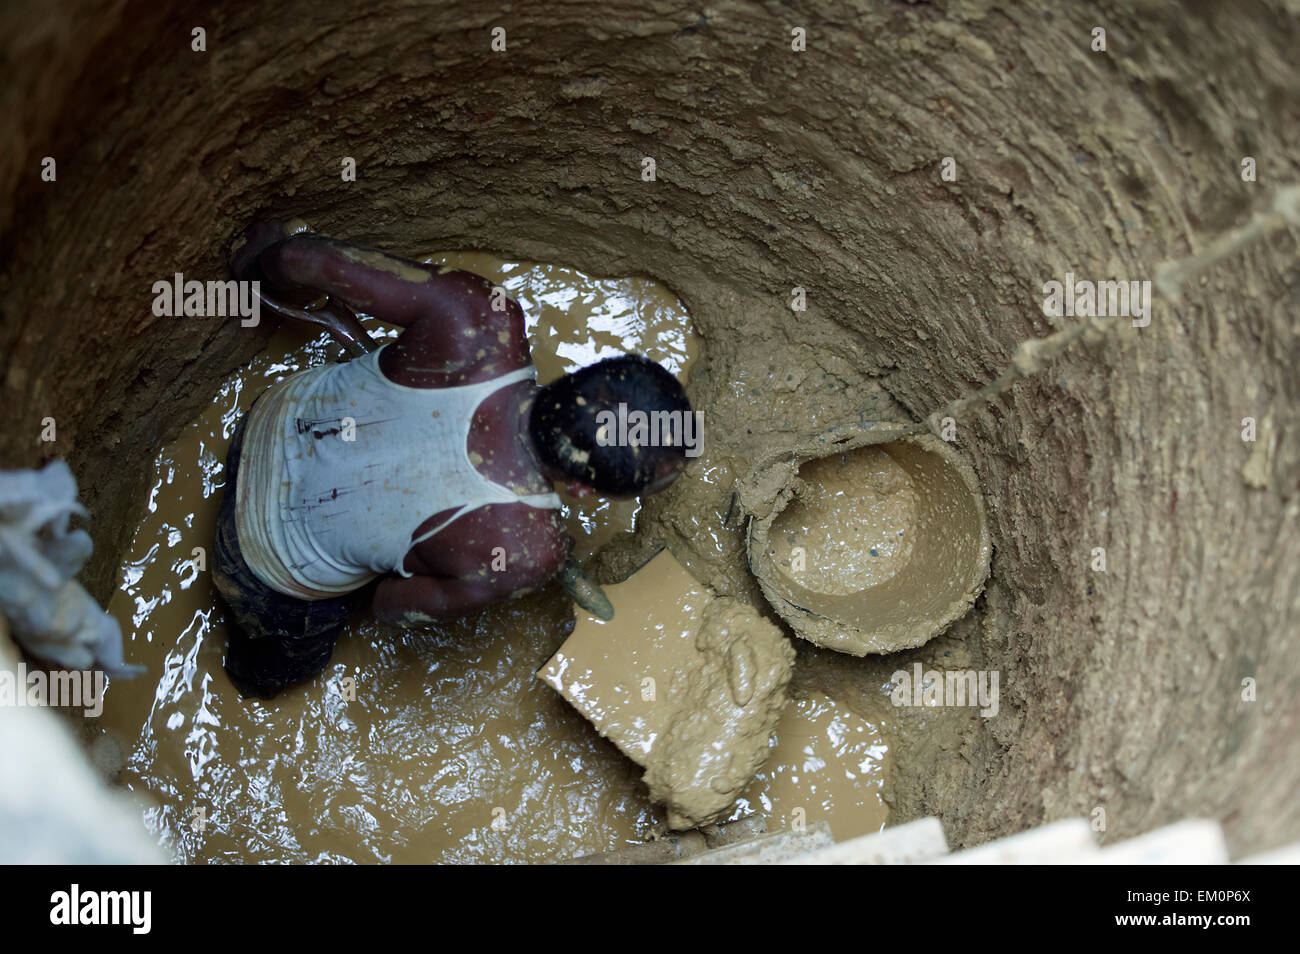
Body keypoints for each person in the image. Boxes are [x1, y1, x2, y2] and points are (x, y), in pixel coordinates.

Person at [213, 220, 693, 699]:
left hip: (265, 423)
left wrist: (260, 268)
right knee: (282, 664)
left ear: (580, 372)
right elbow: (389, 608)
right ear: (584, 490)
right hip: (260, 560)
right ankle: (253, 683)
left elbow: (302, 260)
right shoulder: (526, 552)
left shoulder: (481, 315)